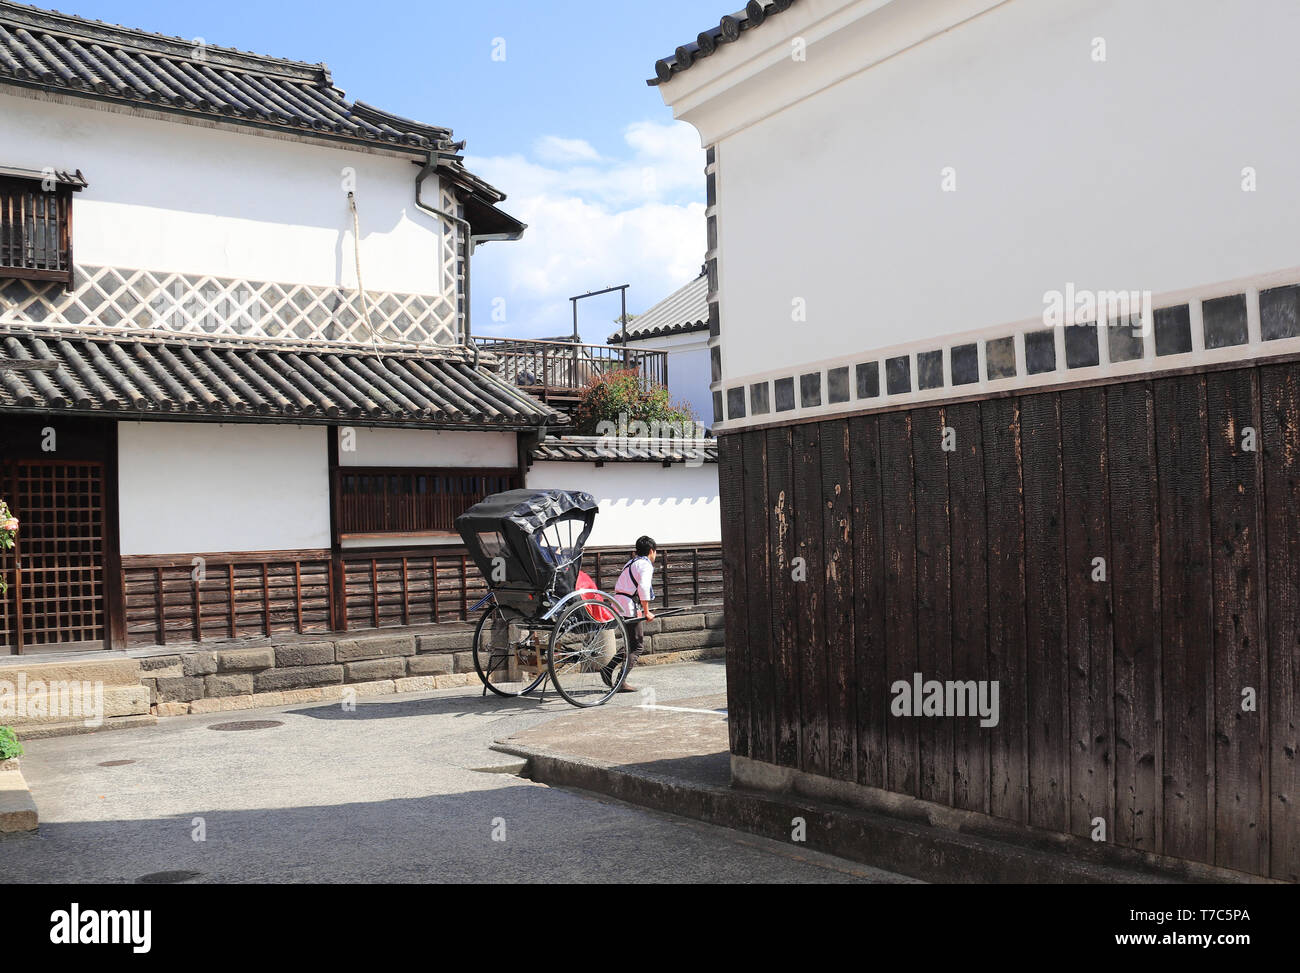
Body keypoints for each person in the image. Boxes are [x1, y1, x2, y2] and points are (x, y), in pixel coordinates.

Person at [606, 535, 656, 693]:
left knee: (630, 643)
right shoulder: (645, 565)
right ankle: (621, 681)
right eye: (655, 552)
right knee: (638, 646)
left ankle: (608, 668)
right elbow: (643, 587)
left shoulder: (632, 561)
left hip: (620, 602)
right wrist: (647, 612)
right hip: (628, 605)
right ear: (651, 551)